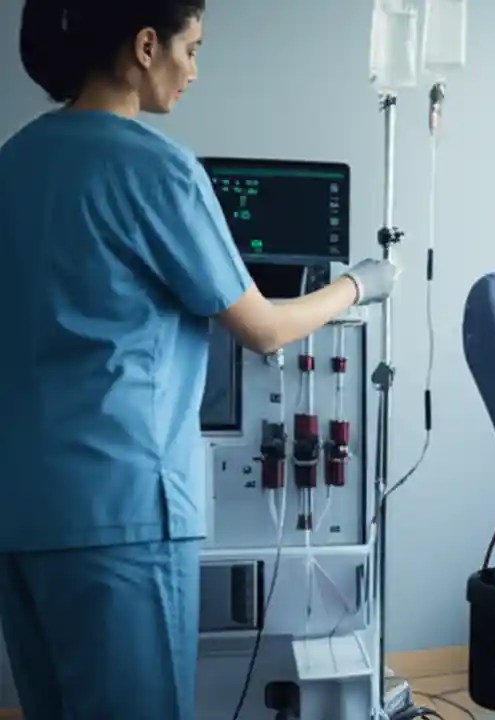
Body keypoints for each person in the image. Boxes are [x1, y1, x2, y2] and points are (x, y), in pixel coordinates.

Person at [0, 2, 400, 718]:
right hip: (123, 510)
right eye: (192, 47)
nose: (194, 69)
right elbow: (263, 328)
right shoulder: (157, 169)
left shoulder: (15, 161)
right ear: (146, 45)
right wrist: (358, 284)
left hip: (22, 512)